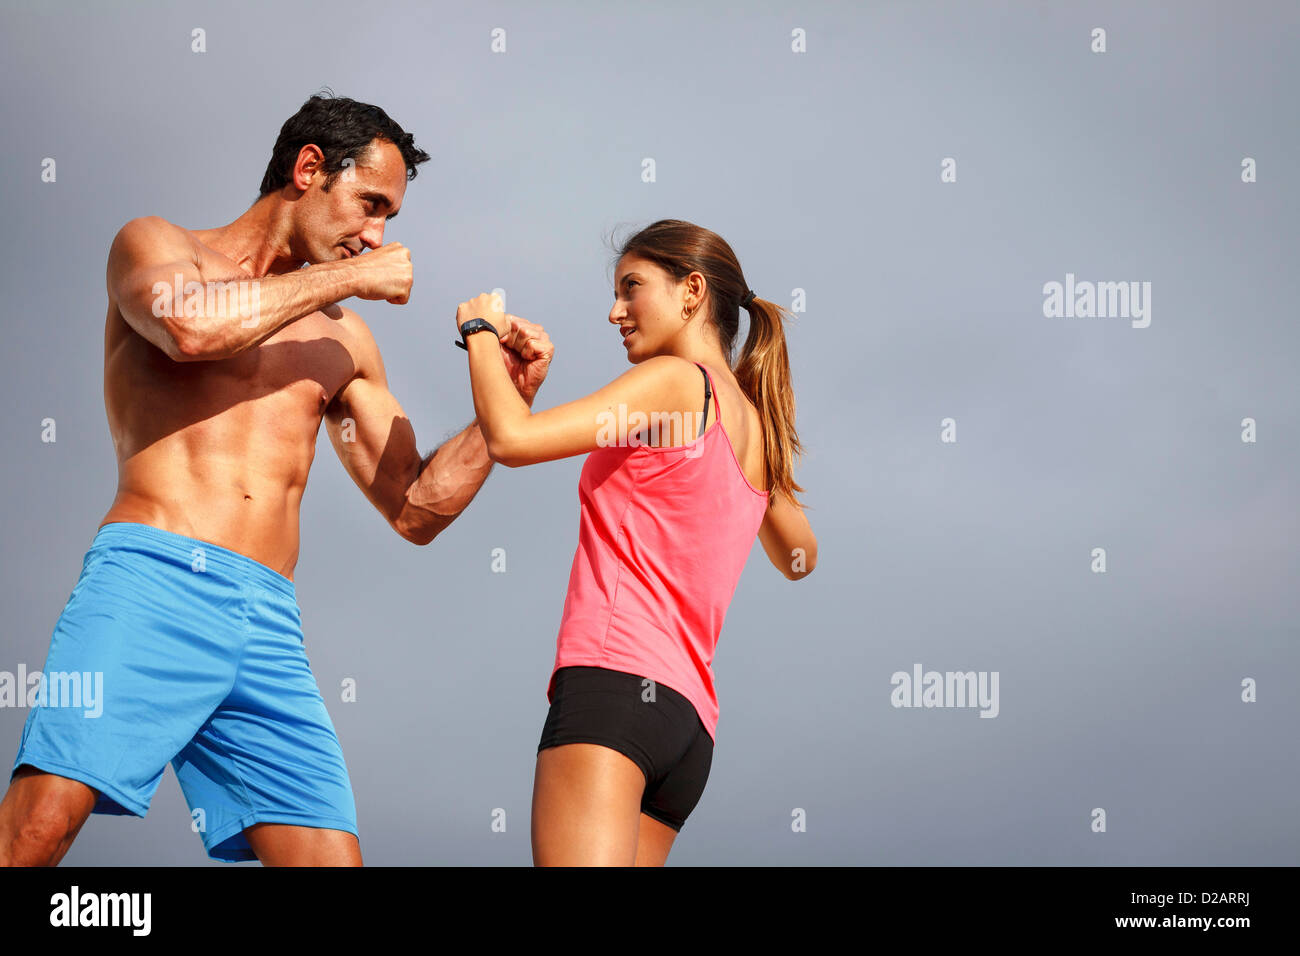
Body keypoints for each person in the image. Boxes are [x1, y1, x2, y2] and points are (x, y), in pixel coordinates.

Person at [0, 92, 553, 866]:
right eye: (370, 204)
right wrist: (342, 285)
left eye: (389, 216)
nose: (378, 235)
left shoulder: (344, 342)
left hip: (266, 624)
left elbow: (415, 506)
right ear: (307, 169)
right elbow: (189, 327)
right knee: (37, 829)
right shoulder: (158, 244)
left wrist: (509, 405)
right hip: (152, 578)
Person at [455, 219, 817, 866]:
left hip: (616, 687)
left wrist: (479, 331)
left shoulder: (675, 383)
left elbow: (512, 440)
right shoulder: (753, 424)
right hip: (687, 728)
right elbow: (801, 557)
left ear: (692, 291)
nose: (615, 311)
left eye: (631, 287)